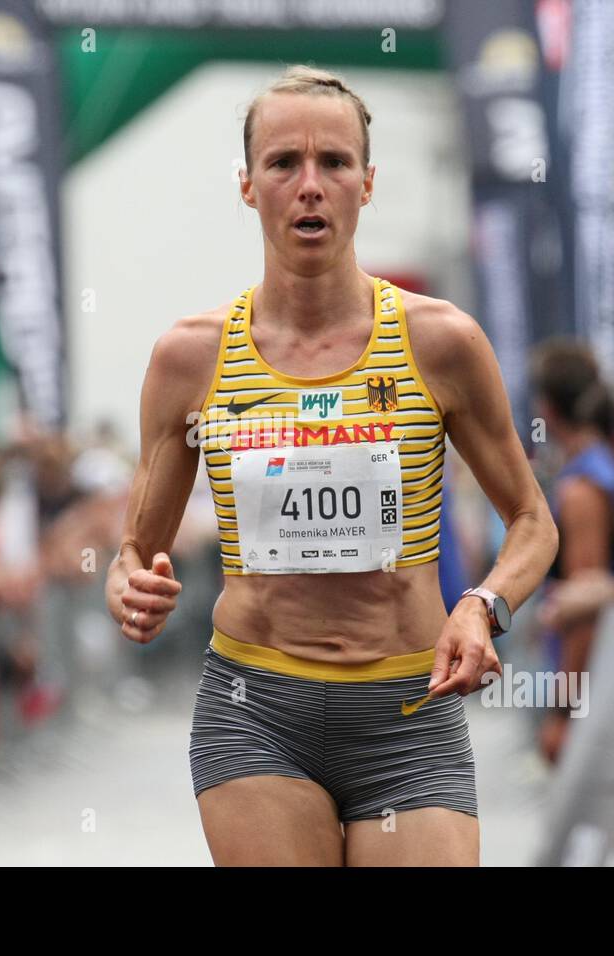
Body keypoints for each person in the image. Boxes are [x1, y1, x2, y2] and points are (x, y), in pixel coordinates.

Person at [104, 65, 557, 866]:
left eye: (334, 163)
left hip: (409, 710)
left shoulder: (441, 340)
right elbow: (137, 550)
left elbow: (531, 522)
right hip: (256, 708)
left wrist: (483, 606)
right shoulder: (189, 357)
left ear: (367, 183)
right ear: (249, 187)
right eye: (283, 164)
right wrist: (128, 582)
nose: (309, 185)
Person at [530, 340, 614, 764]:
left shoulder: (583, 490)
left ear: (547, 409)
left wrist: (563, 713)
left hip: (597, 682)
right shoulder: (600, 466)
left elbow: (584, 609)